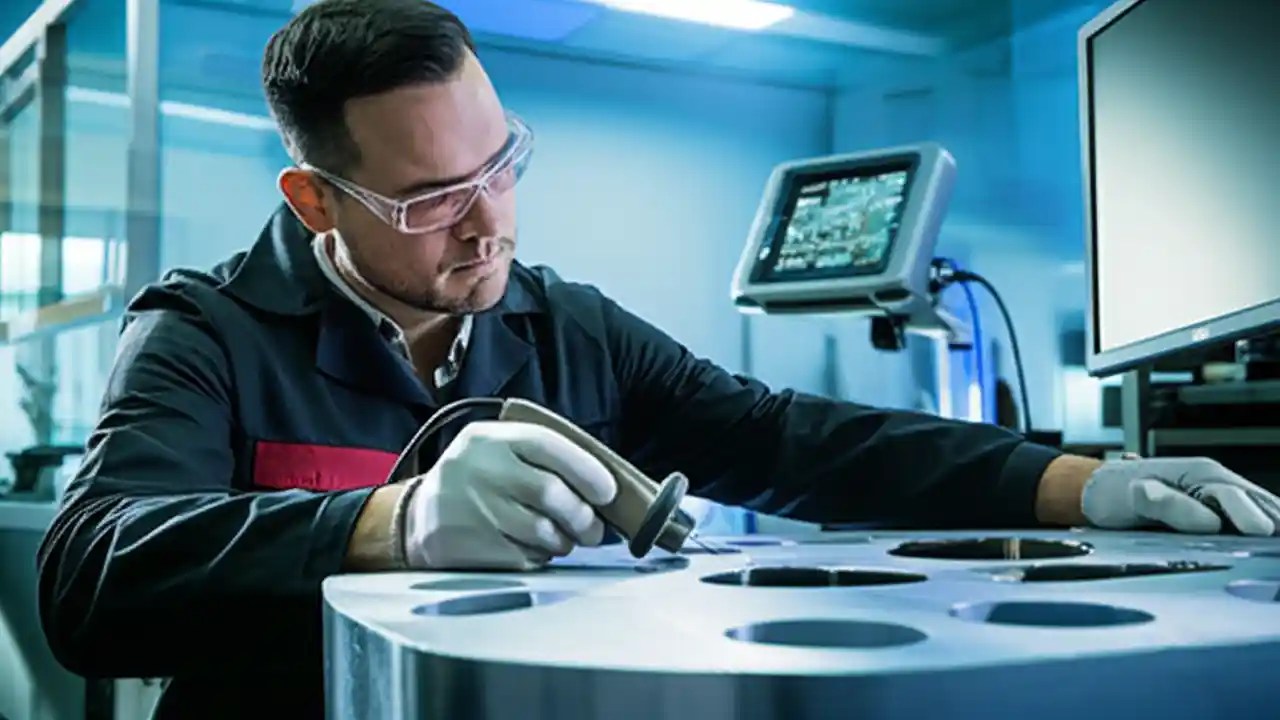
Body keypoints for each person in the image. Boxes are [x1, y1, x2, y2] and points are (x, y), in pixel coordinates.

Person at [35, 0, 1280, 717]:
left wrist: (1071, 485)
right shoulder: (206, 331)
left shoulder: (562, 323)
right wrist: (390, 525)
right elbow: (88, 582)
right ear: (316, 200)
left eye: (499, 166)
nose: (487, 223)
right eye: (429, 199)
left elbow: (785, 437)